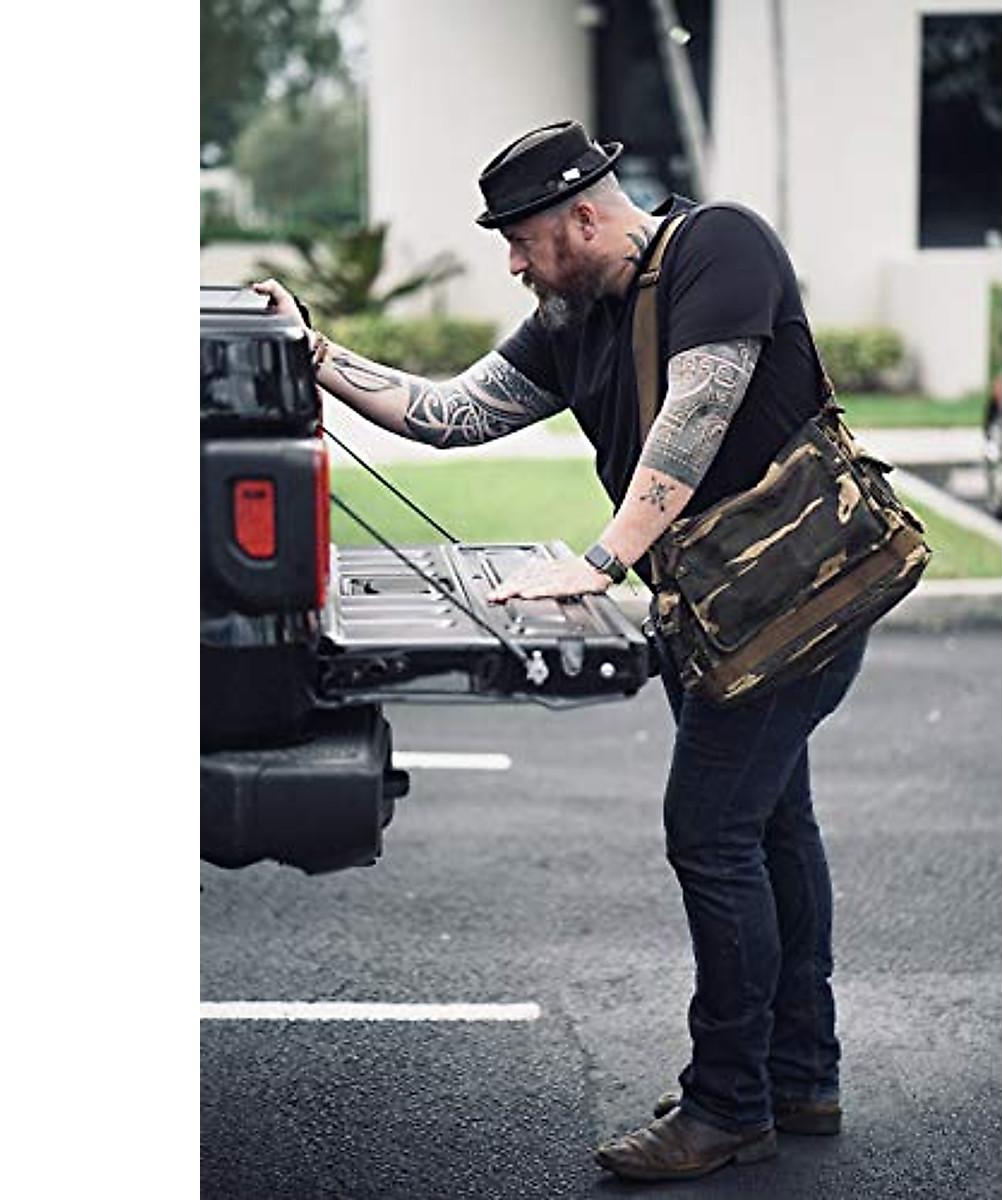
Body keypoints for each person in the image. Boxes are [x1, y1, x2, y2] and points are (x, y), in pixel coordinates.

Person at [255, 118, 868, 1185]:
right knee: (770, 824)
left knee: (712, 832)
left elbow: (697, 413)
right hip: (713, 610)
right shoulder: (571, 320)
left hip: (795, 598)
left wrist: (600, 560)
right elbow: (449, 413)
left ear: (582, 218)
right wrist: (313, 354)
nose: (513, 264)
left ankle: (731, 1105)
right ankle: (799, 1077)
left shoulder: (721, 247)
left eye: (521, 241)